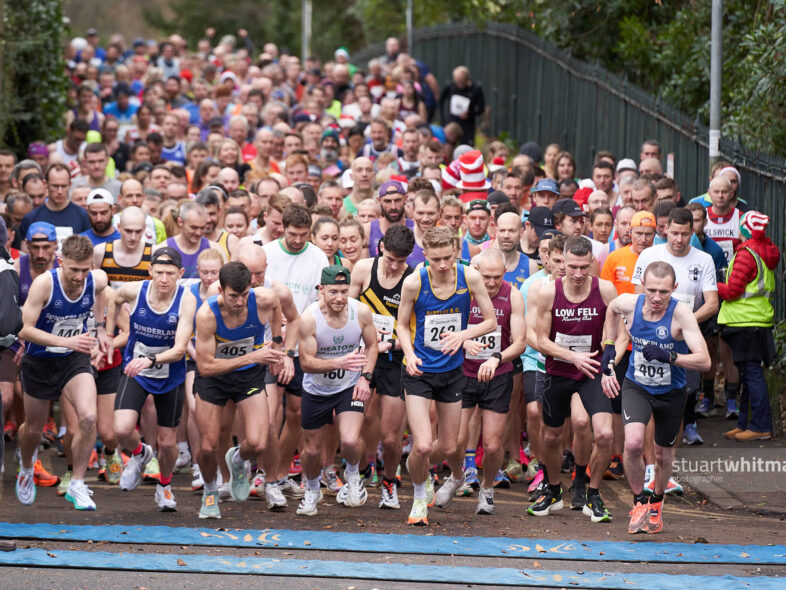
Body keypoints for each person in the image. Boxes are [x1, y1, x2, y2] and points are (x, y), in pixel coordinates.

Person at [396, 226, 497, 525]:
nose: (442, 265)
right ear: (425, 256)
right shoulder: (415, 282)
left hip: (452, 372)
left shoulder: (470, 277)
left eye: (447, 258)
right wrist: (410, 354)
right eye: (435, 259)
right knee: (423, 445)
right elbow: (401, 325)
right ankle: (418, 497)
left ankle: (440, 474)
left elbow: (490, 321)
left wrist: (462, 335)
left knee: (450, 446)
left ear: (456, 252)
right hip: (419, 371)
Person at [601, 262, 710, 534]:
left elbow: (705, 360)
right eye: (651, 290)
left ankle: (657, 502)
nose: (657, 297)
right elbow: (611, 310)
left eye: (663, 291)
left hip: (671, 392)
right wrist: (609, 347)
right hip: (637, 386)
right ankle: (639, 501)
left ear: (674, 288)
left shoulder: (681, 314)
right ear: (643, 287)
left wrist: (672, 356)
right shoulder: (629, 303)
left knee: (662, 455)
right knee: (634, 444)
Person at [16, 235, 111, 510]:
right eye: (74, 270)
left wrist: (101, 327)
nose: (81, 276)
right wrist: (66, 341)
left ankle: (78, 483)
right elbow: (24, 328)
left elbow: (102, 292)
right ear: (61, 262)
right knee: (33, 429)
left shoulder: (97, 278)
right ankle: (25, 468)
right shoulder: (45, 284)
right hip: (39, 361)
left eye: (85, 269)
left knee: (89, 417)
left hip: (73, 359)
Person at [528, 236, 618, 523]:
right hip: (558, 372)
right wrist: (571, 356)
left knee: (604, 434)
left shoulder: (604, 289)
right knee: (551, 435)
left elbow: (619, 330)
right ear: (561, 263)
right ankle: (554, 490)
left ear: (592, 262)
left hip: (592, 372)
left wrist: (611, 359)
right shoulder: (548, 292)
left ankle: (591, 493)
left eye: (584, 267)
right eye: (572, 267)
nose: (578, 274)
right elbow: (540, 339)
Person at [193, 261, 285, 518]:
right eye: (234, 296)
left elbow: (277, 306)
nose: (240, 301)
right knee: (208, 447)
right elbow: (205, 367)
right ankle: (210, 491)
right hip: (214, 380)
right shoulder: (207, 314)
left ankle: (237, 460)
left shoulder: (263, 299)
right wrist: (252, 357)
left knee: (258, 442)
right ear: (220, 291)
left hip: (247, 378)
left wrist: (276, 342)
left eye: (245, 294)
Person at [438, 249, 526, 514]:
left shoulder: (513, 295)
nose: (490, 283)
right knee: (453, 441)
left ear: (505, 273)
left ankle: (487, 487)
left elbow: (520, 342)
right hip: (462, 373)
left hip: (497, 376)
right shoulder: (462, 291)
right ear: (475, 271)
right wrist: (464, 341)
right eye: (486, 276)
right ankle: (456, 475)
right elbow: (441, 330)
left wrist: (496, 358)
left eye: (496, 277)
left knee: (492, 444)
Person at [108, 247, 197, 511]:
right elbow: (113, 298)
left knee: (168, 442)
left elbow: (181, 349)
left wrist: (152, 360)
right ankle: (140, 453)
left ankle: (165, 486)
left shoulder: (186, 299)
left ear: (180, 274)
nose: (164, 279)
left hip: (168, 373)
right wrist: (107, 331)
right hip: (136, 368)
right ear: (150, 272)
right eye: (159, 272)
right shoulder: (135, 291)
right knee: (122, 429)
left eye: (170, 273)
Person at [296, 265, 379, 515]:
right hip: (317, 389)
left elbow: (373, 345)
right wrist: (338, 362)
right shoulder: (309, 318)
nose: (339, 298)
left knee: (351, 439)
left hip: (349, 385)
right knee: (311, 451)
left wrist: (365, 378)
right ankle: (312, 489)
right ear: (321, 290)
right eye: (333, 292)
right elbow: (306, 363)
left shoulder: (361, 312)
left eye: (344, 291)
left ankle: (352, 475)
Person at [632, 208, 718, 448]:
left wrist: (684, 324)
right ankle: (650, 466)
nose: (679, 239)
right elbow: (638, 298)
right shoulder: (649, 255)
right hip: (650, 339)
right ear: (665, 229)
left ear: (693, 232)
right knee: (648, 406)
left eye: (685, 234)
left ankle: (669, 467)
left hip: (685, 341)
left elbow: (712, 303)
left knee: (677, 407)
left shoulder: (704, 260)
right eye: (675, 233)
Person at [263, 204, 329, 496]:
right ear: (282, 229)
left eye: (304, 235)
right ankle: (264, 474)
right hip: (268, 339)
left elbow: (321, 300)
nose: (298, 240)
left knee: (296, 412)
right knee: (269, 413)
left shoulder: (318, 256)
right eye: (293, 234)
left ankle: (279, 473)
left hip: (303, 340)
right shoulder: (266, 254)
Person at [349, 224, 416, 509]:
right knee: (356, 427)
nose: (393, 265)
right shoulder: (364, 269)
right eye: (389, 258)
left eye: (400, 261)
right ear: (380, 249)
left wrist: (388, 344)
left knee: (390, 438)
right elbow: (346, 311)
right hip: (361, 356)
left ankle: (389, 481)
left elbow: (413, 332)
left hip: (392, 360)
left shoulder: (412, 280)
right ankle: (356, 474)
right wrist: (361, 341)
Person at [718, 211, 781, 441]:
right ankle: (745, 423)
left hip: (744, 321)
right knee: (747, 373)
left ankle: (760, 426)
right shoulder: (766, 251)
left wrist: (715, 286)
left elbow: (733, 290)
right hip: (757, 320)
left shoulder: (747, 254)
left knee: (752, 374)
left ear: (744, 229)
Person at [156, 201, 227, 283]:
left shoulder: (216, 249)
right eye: (194, 228)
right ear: (180, 222)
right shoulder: (163, 249)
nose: (198, 232)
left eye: (202, 228)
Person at [20, 163, 90, 243]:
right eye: (55, 186)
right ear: (45, 184)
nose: (59, 191)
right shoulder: (31, 218)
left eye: (63, 186)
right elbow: (25, 252)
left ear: (70, 185)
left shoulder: (82, 215)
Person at [94, 207, 153, 289]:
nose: (133, 237)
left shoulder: (153, 254)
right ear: (119, 227)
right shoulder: (101, 252)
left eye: (138, 231)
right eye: (128, 231)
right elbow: (93, 288)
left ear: (144, 229)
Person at [366, 180, 414, 257]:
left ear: (406, 199)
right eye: (387, 201)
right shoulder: (368, 230)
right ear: (379, 201)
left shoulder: (416, 228)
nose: (393, 207)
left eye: (397, 200)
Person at [439, 66, 484, 146]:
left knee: (466, 147)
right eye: (457, 81)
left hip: (467, 125)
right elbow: (441, 100)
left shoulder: (475, 89)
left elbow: (481, 108)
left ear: (467, 79)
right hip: (452, 122)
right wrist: (443, 119)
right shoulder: (451, 87)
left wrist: (470, 114)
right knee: (448, 145)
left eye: (461, 82)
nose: (459, 84)